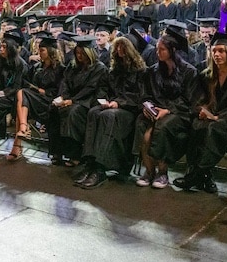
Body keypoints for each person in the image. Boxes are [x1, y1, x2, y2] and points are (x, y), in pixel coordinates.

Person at [174, 33, 227, 193]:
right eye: (214, 50)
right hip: (210, 120)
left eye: (221, 51)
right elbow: (197, 99)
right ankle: (205, 176)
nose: (216, 54)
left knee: (213, 128)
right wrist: (202, 111)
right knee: (197, 125)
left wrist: (218, 117)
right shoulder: (206, 76)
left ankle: (195, 175)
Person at [75, 36, 146, 188]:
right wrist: (104, 101)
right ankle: (90, 162)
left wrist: (118, 103)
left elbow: (140, 96)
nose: (119, 51)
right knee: (94, 112)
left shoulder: (140, 72)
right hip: (112, 107)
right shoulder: (113, 71)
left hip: (129, 111)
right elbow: (103, 89)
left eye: (123, 48)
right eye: (117, 48)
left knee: (108, 115)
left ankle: (100, 168)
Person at [135, 27, 200, 189]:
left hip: (179, 113)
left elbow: (189, 100)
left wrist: (168, 109)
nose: (158, 53)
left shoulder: (189, 72)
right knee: (142, 126)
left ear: (173, 50)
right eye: (157, 49)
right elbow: (146, 94)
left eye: (162, 49)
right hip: (155, 111)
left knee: (163, 127)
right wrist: (147, 106)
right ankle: (149, 171)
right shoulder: (153, 71)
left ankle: (162, 172)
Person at [47, 35, 109, 166]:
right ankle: (56, 152)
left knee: (73, 112)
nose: (79, 56)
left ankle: (74, 154)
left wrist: (73, 101)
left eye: (82, 53)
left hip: (88, 102)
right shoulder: (73, 66)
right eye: (78, 53)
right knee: (53, 108)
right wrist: (63, 97)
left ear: (89, 53)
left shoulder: (99, 68)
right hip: (71, 100)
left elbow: (91, 89)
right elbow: (65, 83)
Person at [8, 32, 64, 161]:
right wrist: (33, 88)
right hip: (33, 100)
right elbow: (27, 82)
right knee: (21, 94)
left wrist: (40, 90)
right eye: (39, 50)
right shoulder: (37, 67)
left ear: (51, 51)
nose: (39, 52)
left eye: (42, 50)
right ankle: (22, 129)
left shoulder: (61, 69)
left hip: (49, 102)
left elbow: (59, 91)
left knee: (21, 97)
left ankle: (19, 141)